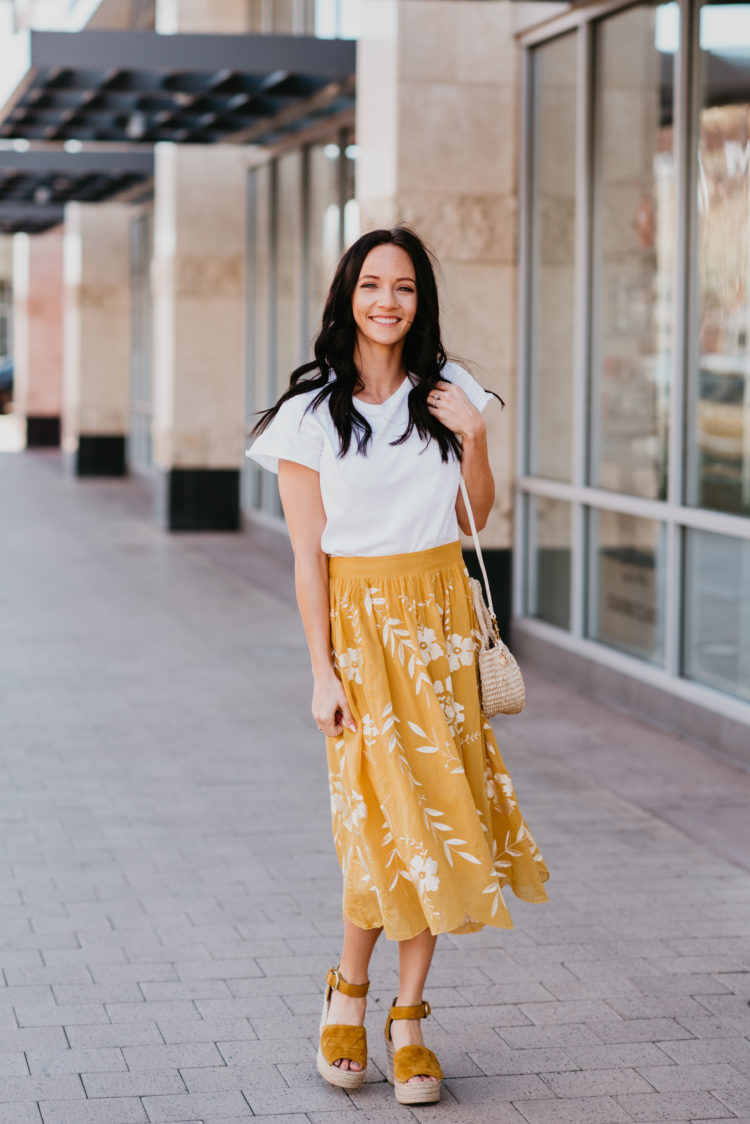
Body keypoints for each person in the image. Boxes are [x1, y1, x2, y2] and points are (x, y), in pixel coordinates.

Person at [246, 227, 549, 1106]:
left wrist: (477, 440)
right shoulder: (306, 414)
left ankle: (408, 1017)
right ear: (348, 296)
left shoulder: (451, 393)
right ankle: (347, 992)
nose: (388, 300)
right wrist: (321, 670)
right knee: (375, 821)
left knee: (440, 816)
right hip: (362, 633)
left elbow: (472, 518)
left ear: (421, 301)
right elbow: (309, 558)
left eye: (405, 287)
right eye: (372, 284)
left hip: (442, 625)